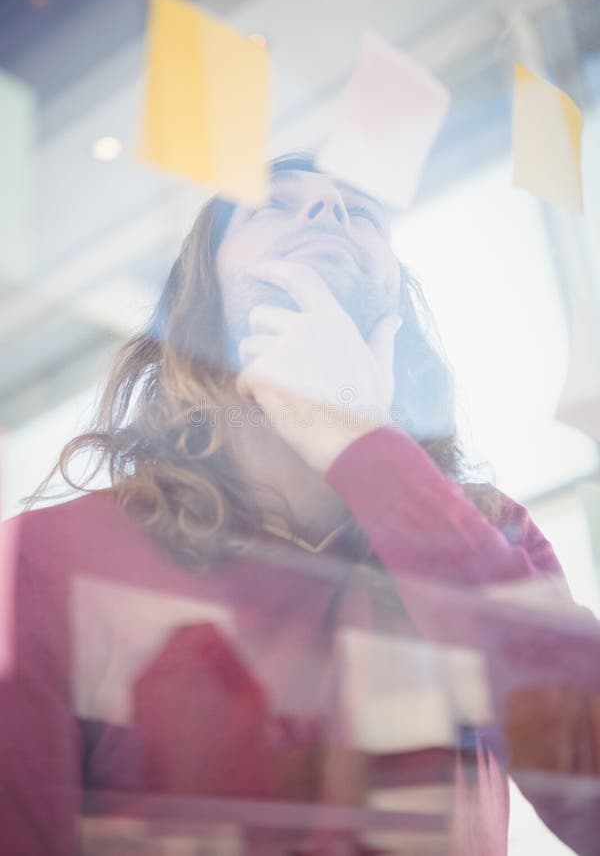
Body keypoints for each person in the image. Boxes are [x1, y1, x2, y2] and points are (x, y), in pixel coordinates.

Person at [1, 153, 599, 855]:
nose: (329, 212)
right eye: (275, 205)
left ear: (397, 313)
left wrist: (361, 442)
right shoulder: (45, 558)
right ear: (199, 303)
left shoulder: (491, 533)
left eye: (360, 212)